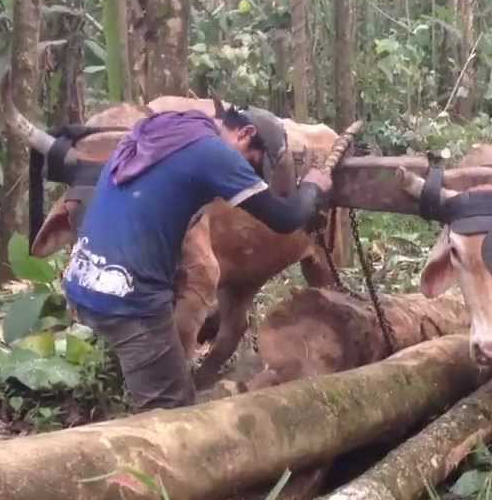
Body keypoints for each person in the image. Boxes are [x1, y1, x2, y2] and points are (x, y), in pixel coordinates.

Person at [62, 104, 333, 410]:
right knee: (173, 414)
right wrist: (313, 186)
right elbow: (285, 220)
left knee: (162, 385)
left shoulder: (164, 130)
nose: (249, 171)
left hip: (82, 282)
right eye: (253, 162)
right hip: (128, 301)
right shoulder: (215, 154)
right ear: (245, 134)